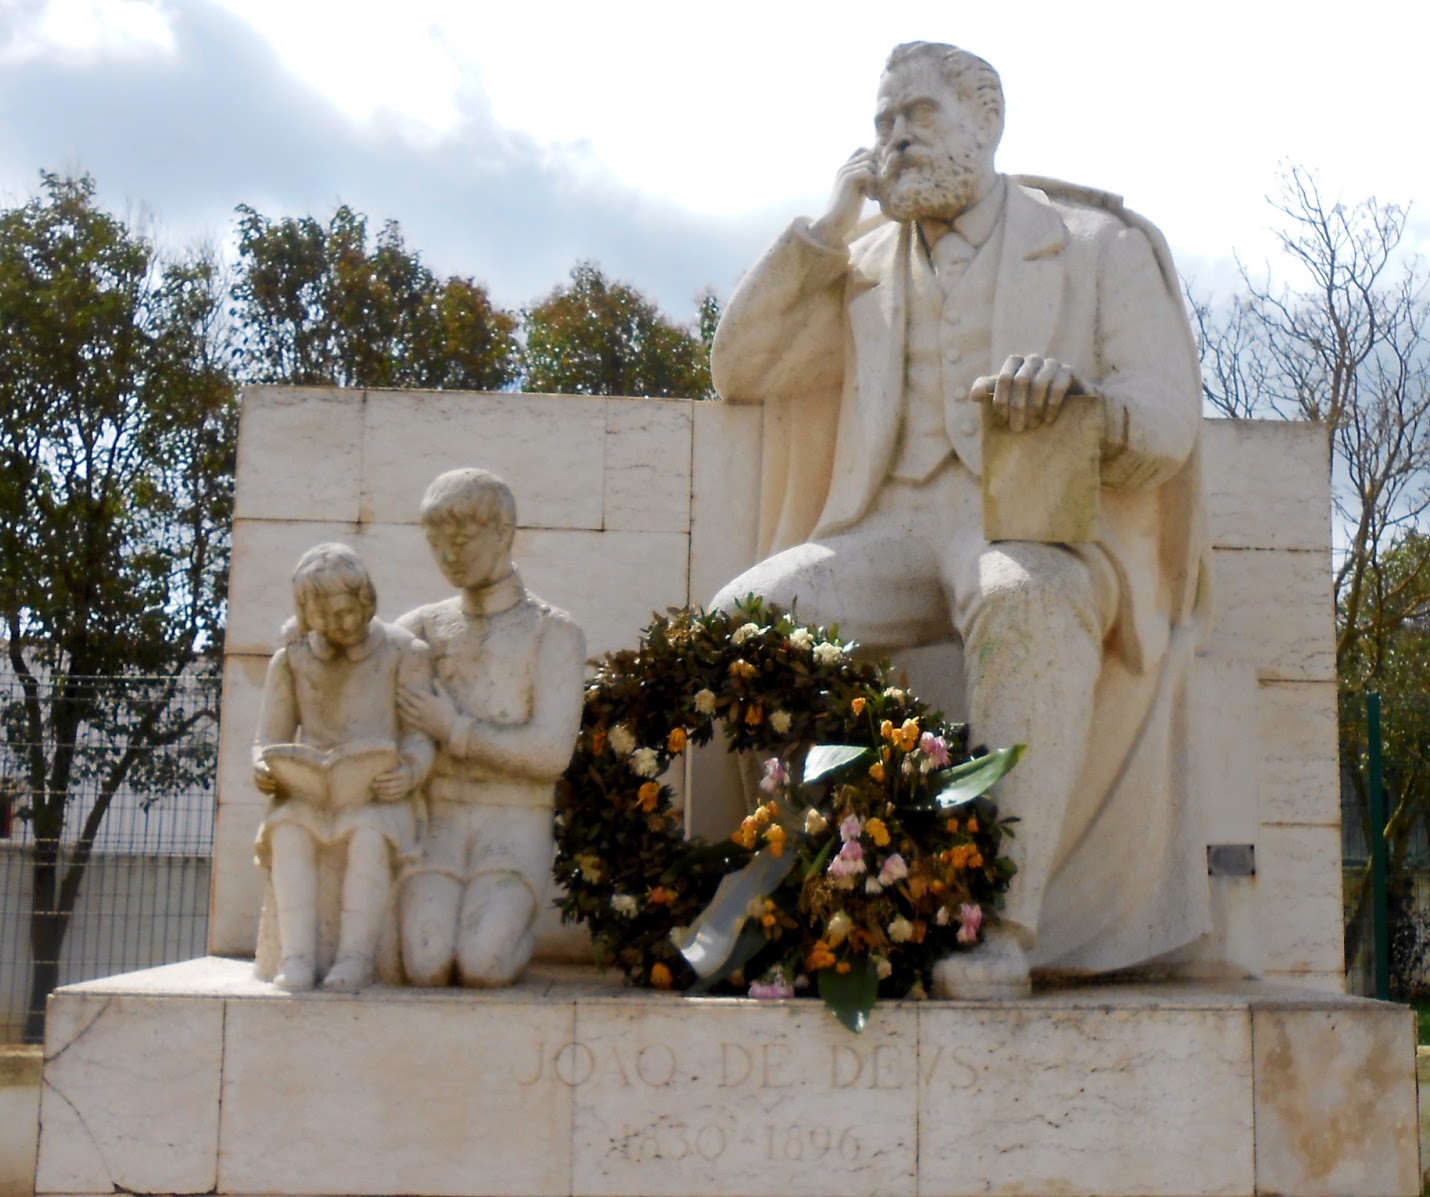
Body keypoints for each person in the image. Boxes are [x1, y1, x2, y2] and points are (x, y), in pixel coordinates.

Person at [709, 41, 1211, 997]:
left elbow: (1166, 423)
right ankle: (822, 900)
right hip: (888, 526)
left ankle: (1003, 927)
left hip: (1026, 524)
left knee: (1027, 596)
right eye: (883, 122)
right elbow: (739, 368)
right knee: (742, 625)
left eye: (919, 115)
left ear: (987, 121)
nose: (895, 138)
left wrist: (1081, 407)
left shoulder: (1096, 245)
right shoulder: (858, 262)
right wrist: (824, 228)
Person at [395, 468, 586, 987]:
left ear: (503, 533)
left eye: (460, 541)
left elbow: (550, 752)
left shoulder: (553, 632)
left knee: (483, 965)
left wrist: (454, 729)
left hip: (513, 824)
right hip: (437, 824)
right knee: (426, 964)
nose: (448, 557)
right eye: (436, 544)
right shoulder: (418, 630)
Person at [253, 543, 434, 992]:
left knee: (369, 835)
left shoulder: (404, 652)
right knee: (288, 831)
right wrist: (264, 768)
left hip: (377, 795)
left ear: (366, 599)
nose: (341, 625)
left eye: (347, 612)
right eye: (325, 617)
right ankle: (297, 957)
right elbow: (267, 737)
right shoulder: (291, 659)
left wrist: (409, 773)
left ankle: (355, 958)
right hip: (310, 794)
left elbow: (419, 736)